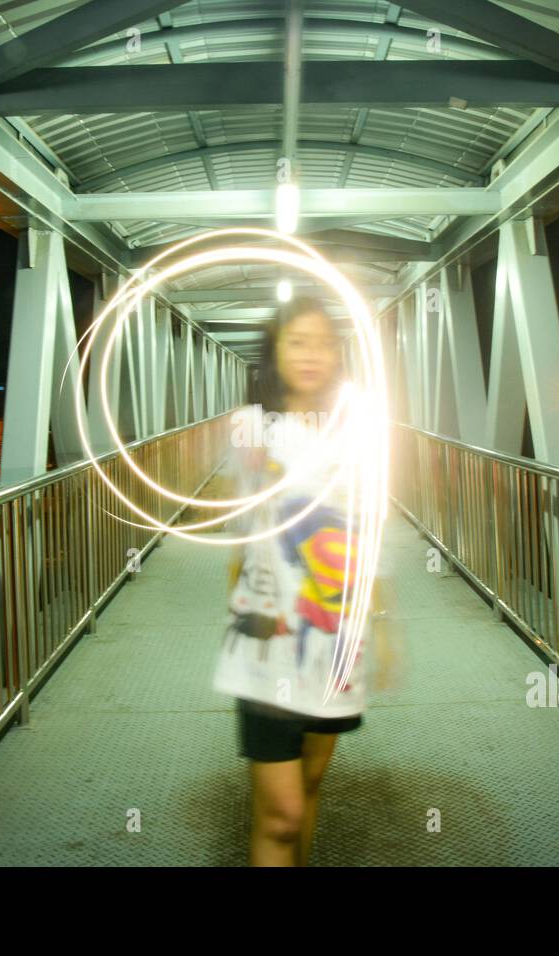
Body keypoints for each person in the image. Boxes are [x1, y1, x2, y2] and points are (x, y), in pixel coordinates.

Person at [211, 295, 396, 866]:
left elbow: (369, 528)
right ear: (275, 353)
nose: (313, 354)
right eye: (297, 341)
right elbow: (234, 517)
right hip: (266, 642)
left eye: (324, 341)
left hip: (337, 640)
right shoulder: (250, 429)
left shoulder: (357, 430)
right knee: (282, 811)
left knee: (309, 790)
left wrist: (381, 621)